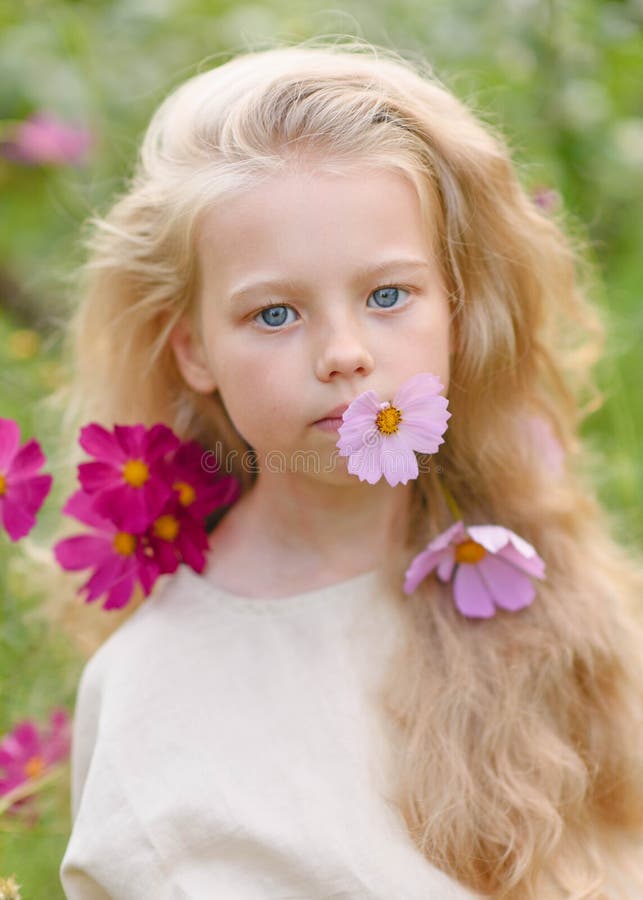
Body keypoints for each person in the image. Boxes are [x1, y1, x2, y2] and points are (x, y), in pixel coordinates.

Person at [57, 37, 643, 898]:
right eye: (275, 313)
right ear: (193, 350)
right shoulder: (160, 697)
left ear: (456, 311)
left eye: (386, 296)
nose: (343, 353)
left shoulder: (537, 571)